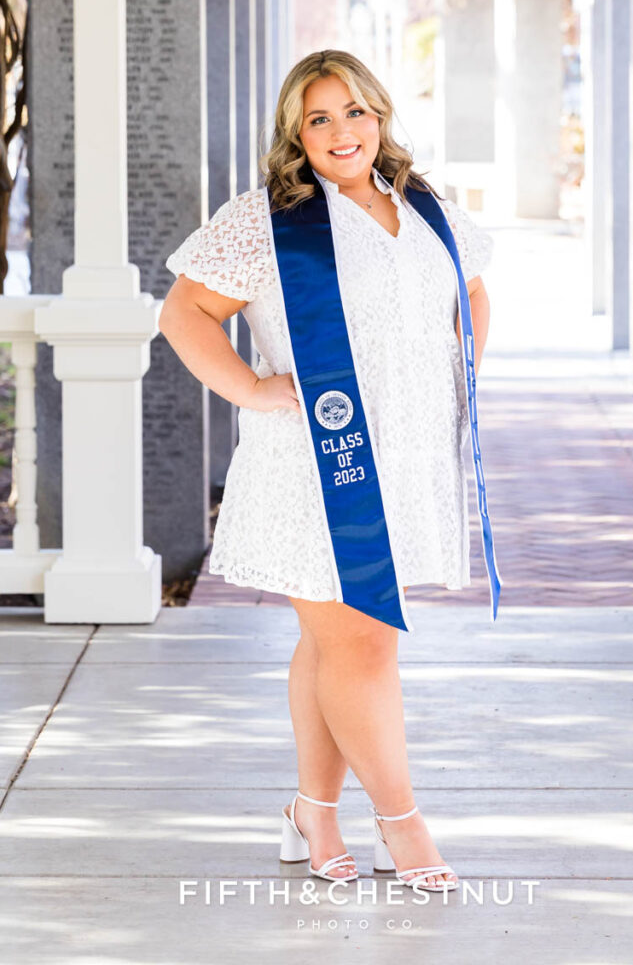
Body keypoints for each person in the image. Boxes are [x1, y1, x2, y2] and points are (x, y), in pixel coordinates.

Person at [158, 48, 495, 893]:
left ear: (379, 117)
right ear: (296, 134)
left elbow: (471, 291)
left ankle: (313, 811)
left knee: (332, 642)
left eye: (355, 112)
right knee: (365, 640)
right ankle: (403, 825)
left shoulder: (423, 207)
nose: (342, 131)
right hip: (315, 468)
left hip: (405, 460)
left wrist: (460, 370)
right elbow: (184, 311)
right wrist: (251, 388)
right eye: (319, 118)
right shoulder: (267, 221)